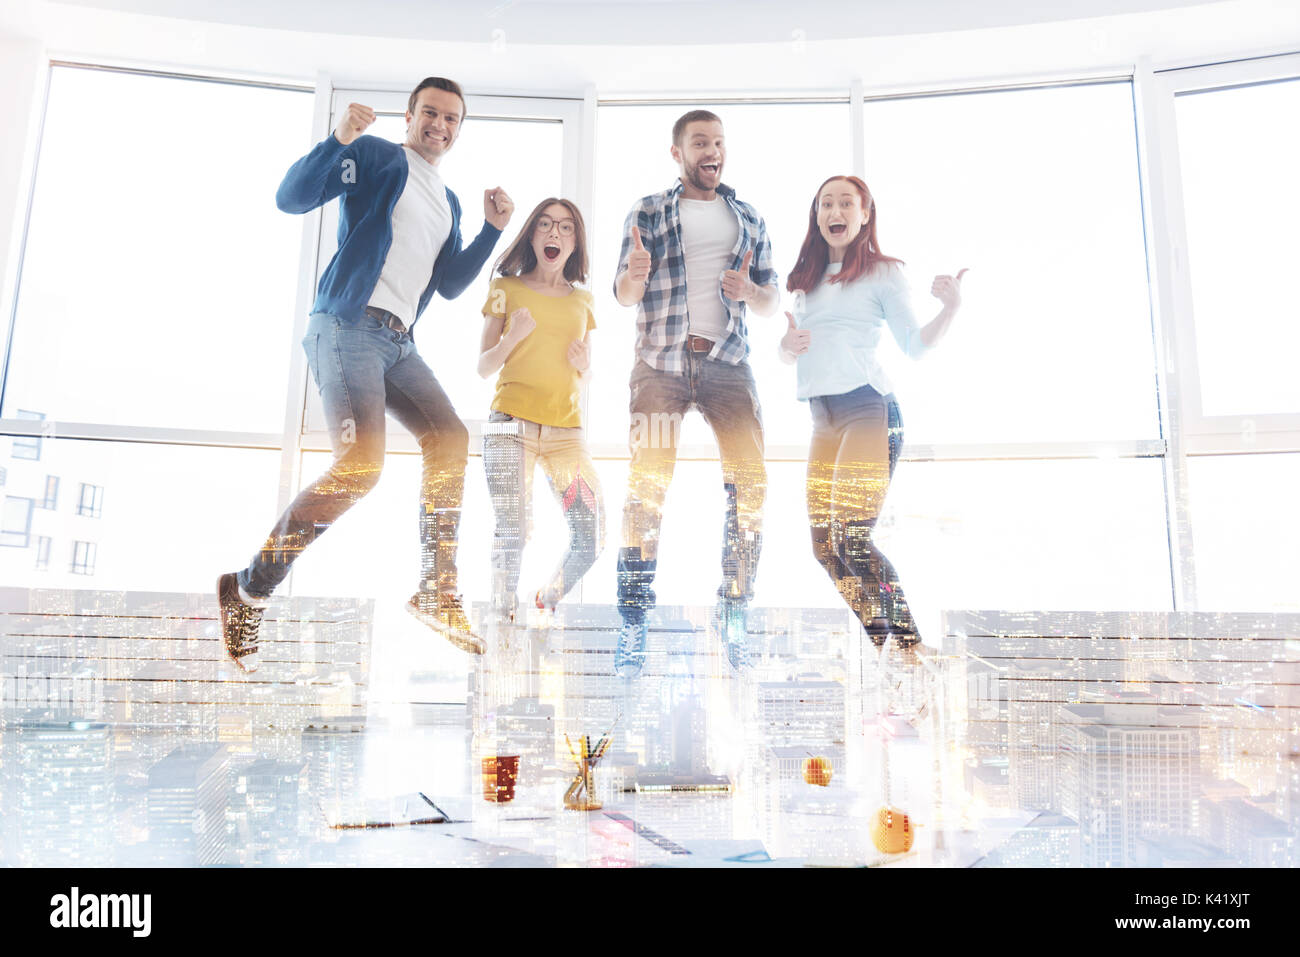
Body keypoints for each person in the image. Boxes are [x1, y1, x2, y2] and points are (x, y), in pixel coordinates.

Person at [216, 76, 515, 672]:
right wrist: (339, 138)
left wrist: (491, 231)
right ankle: (249, 588)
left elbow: (451, 283)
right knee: (361, 467)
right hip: (348, 325)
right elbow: (291, 197)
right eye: (430, 112)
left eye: (452, 118)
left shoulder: (448, 201)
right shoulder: (376, 157)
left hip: (398, 344)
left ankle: (437, 589)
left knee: (451, 437)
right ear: (409, 115)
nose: (441, 125)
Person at [611, 109, 780, 677]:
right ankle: (634, 618)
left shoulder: (749, 217)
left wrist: (750, 290)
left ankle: (733, 611)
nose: (712, 151)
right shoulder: (649, 211)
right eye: (700, 142)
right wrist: (635, 272)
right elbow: (624, 293)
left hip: (727, 363)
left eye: (719, 142)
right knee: (646, 489)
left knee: (751, 485)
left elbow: (771, 300)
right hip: (660, 364)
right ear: (677, 153)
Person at [780, 174, 965, 646]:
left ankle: (911, 648)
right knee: (826, 549)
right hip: (823, 420)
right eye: (826, 203)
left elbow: (916, 347)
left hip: (868, 410)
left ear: (864, 215)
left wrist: (950, 309)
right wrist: (786, 346)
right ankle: (888, 647)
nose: (834, 211)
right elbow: (793, 352)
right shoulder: (806, 280)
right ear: (816, 215)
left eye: (846, 203)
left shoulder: (883, 272)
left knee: (853, 540)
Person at [477, 198, 604, 628]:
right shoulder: (505, 289)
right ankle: (502, 619)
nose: (555, 234)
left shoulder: (583, 301)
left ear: (575, 242)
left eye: (566, 228)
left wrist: (586, 367)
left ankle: (547, 598)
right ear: (532, 235)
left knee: (593, 534)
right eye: (546, 225)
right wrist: (512, 336)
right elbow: (484, 366)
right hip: (509, 427)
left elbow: (584, 374)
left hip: (566, 435)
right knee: (513, 530)